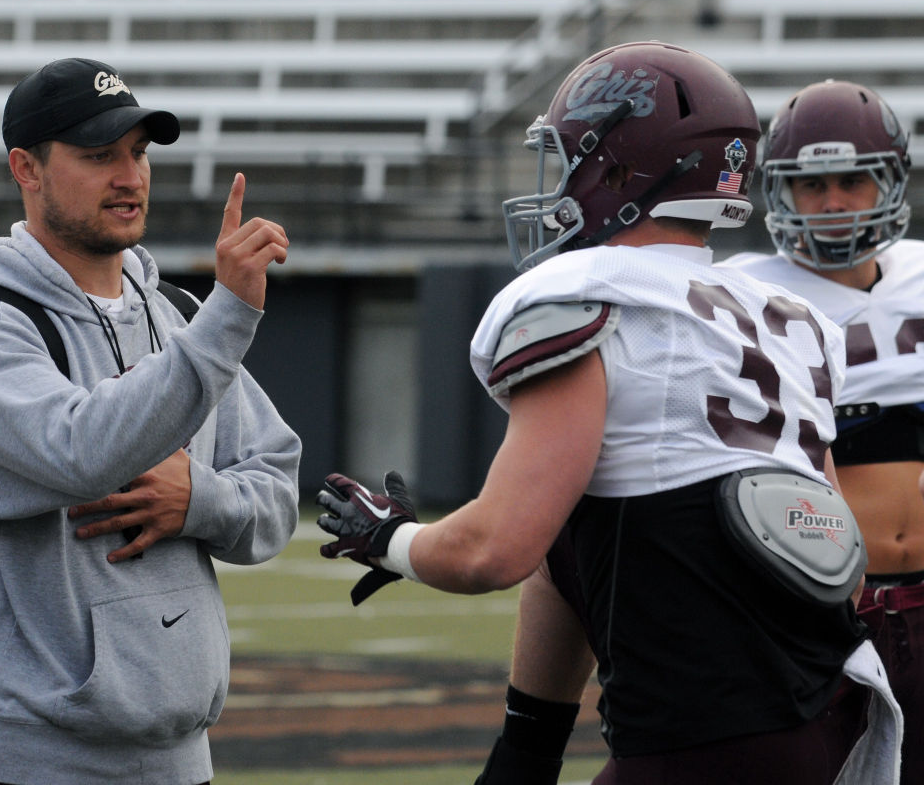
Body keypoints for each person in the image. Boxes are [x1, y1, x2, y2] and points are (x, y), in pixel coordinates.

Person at [316, 42, 901, 784]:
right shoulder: (787, 317)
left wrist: (390, 539)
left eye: (568, 159)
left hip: (702, 734)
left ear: (620, 171)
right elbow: (839, 559)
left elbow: (495, 549)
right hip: (831, 718)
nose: (557, 183)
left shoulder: (586, 295)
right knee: (583, 522)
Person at [0, 57, 301, 785]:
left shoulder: (180, 317)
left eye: (139, 152)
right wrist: (228, 317)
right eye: (98, 156)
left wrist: (199, 501)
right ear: (25, 168)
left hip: (179, 760)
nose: (129, 176)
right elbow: (84, 452)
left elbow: (277, 489)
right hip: (17, 763)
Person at [721, 79, 923, 784]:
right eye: (812, 185)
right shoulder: (739, 295)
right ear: (781, 193)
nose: (833, 202)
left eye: (851, 181)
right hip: (819, 610)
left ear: (888, 183)